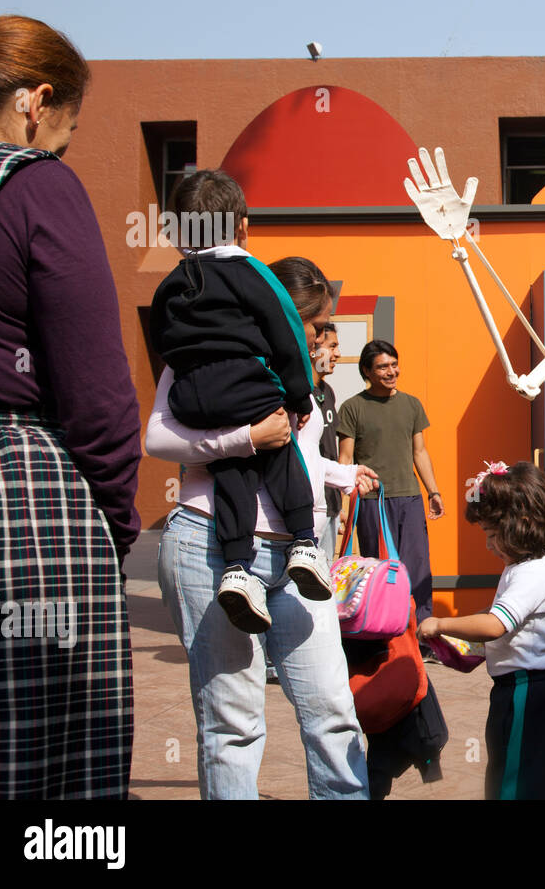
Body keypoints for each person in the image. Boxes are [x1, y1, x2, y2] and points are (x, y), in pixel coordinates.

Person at [0, 14, 141, 799]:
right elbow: (96, 389)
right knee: (49, 772)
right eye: (64, 136)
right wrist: (111, 521)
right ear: (35, 104)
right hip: (17, 504)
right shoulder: (34, 183)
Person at [147, 255, 377, 799]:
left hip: (301, 558)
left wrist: (342, 474)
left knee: (333, 710)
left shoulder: (304, 374)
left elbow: (298, 455)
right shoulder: (209, 351)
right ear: (284, 312)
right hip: (213, 547)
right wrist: (243, 439)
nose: (322, 335)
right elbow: (157, 439)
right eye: (316, 323)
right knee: (234, 725)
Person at [150, 170, 327, 634]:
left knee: (231, 466)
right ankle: (304, 542)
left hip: (193, 395)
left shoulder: (173, 281)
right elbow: (285, 330)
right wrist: (297, 393)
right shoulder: (251, 272)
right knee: (278, 446)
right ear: (242, 225)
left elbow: (162, 337)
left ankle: (235, 567)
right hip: (248, 385)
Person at [418, 461, 545, 800]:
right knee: (526, 775)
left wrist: (441, 623)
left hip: (526, 692)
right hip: (531, 689)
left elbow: (495, 623)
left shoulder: (533, 573)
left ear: (524, 524)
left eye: (491, 535)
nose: (488, 546)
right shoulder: (532, 565)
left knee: (515, 781)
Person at [337, 339, 444, 623]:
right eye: (383, 366)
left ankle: (422, 633)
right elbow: (345, 460)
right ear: (367, 371)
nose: (391, 371)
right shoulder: (352, 407)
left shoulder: (411, 404)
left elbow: (419, 452)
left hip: (409, 497)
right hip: (372, 500)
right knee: (378, 567)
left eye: (394, 364)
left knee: (418, 566)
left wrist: (433, 491)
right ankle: (383, 630)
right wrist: (343, 505)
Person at [312, 323, 345, 563]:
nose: (337, 354)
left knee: (325, 578)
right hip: (309, 508)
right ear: (313, 349)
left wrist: (338, 504)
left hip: (331, 505)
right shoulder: (298, 392)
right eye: (331, 346)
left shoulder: (328, 391)